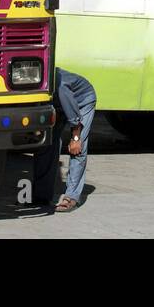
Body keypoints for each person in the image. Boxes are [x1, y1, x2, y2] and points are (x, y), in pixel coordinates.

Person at [32, 68, 96, 212]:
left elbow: (75, 120)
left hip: (81, 101)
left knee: (77, 149)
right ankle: (41, 196)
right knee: (46, 145)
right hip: (58, 106)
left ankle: (72, 197)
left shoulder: (60, 86)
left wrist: (75, 138)